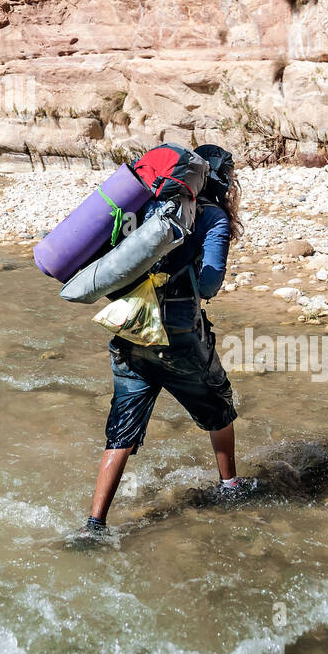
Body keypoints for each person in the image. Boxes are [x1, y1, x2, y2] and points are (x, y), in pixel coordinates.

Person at [80, 144, 252, 540]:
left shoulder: (149, 207)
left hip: (130, 331)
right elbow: (208, 286)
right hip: (179, 340)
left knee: (121, 433)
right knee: (219, 407)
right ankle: (229, 488)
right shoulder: (214, 218)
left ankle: (95, 525)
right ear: (223, 182)